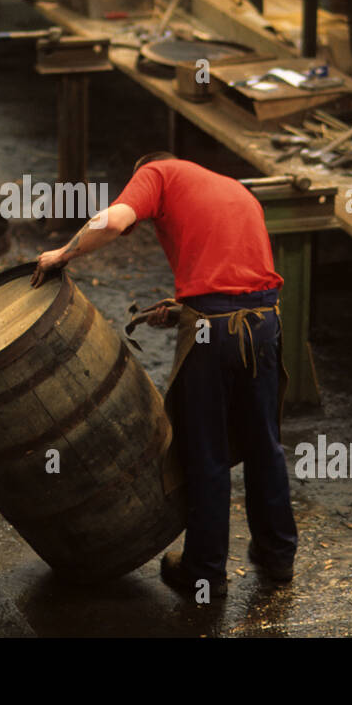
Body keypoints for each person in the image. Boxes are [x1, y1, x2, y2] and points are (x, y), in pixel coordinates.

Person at [31, 154, 297, 598]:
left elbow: (113, 221)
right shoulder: (232, 187)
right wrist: (184, 311)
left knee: (206, 448)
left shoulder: (156, 173)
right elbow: (235, 279)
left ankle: (205, 572)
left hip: (214, 330)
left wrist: (63, 254)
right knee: (263, 442)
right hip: (264, 323)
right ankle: (279, 556)